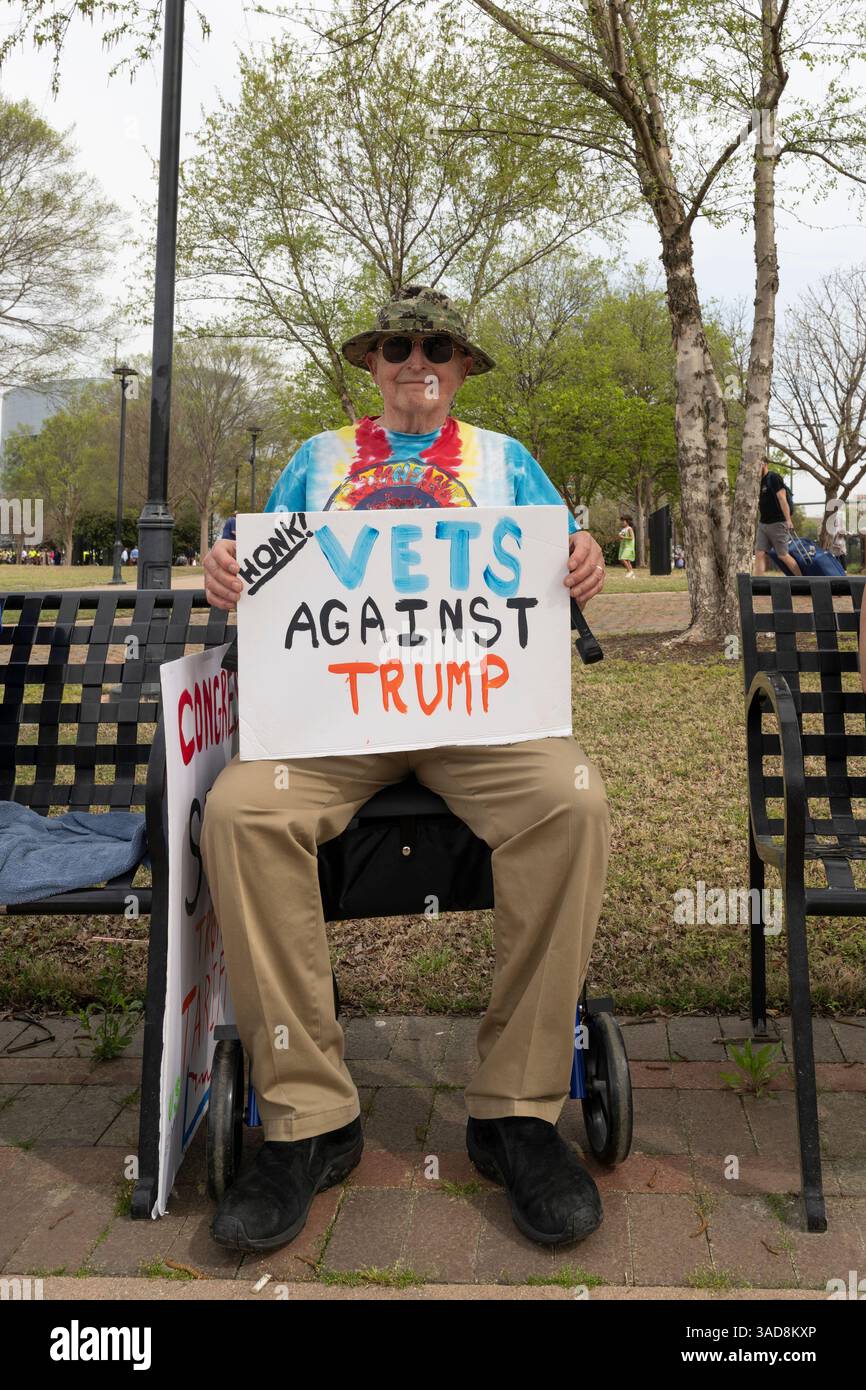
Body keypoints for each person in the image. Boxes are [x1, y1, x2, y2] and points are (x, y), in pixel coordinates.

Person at [200, 285, 611, 1256]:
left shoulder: (507, 464)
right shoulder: (318, 461)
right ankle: (308, 1120)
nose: (412, 358)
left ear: (460, 364)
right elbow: (262, 581)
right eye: (394, 344)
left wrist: (584, 557)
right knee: (240, 808)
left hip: (480, 716)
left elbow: (561, 566)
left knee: (572, 799)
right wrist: (226, 571)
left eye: (433, 344)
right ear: (371, 363)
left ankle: (513, 1112)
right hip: (339, 717)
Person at [754, 461, 801, 576]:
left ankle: (803, 581)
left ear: (764, 464)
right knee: (759, 553)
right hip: (763, 523)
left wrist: (788, 520)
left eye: (758, 465)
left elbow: (782, 499)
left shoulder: (773, 478)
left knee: (782, 555)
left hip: (778, 523)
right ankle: (759, 586)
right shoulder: (758, 482)